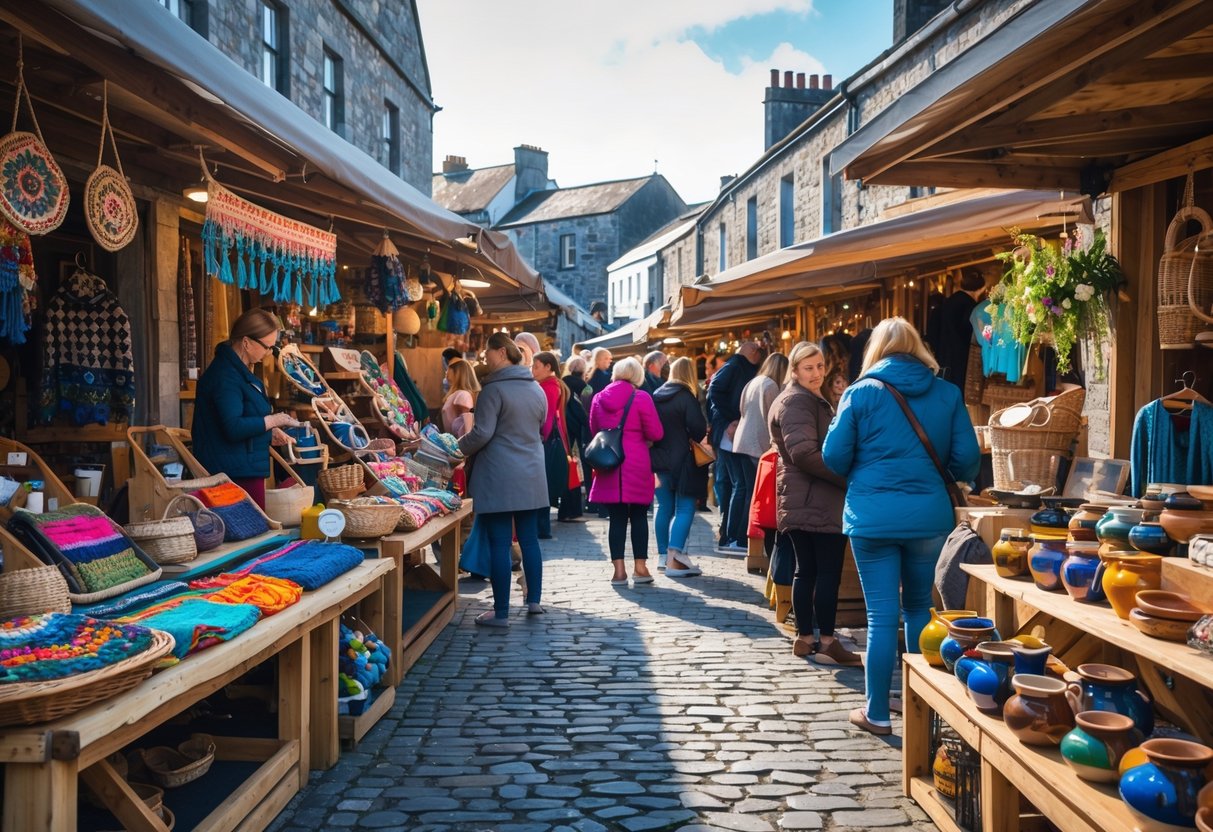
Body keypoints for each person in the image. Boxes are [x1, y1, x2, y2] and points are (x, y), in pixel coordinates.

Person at [823, 317, 981, 734]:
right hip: (928, 517)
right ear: (918, 347)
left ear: (876, 349)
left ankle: (876, 711)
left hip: (871, 517)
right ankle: (920, 706)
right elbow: (967, 459)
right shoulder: (947, 393)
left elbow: (835, 457)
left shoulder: (859, 393)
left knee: (880, 616)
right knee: (918, 609)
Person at [769, 342, 858, 667]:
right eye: (809, 368)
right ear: (794, 370)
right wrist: (846, 479)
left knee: (807, 571)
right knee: (824, 573)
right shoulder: (797, 401)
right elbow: (804, 453)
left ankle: (806, 638)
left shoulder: (804, 398)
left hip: (803, 498)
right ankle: (826, 642)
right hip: (814, 497)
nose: (817, 373)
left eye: (820, 366)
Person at [458, 332, 549, 626]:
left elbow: (482, 433)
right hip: (532, 473)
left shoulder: (493, 391)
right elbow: (542, 428)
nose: (485, 357)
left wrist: (456, 449)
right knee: (529, 539)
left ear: (500, 353)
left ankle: (500, 612)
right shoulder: (536, 389)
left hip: (499, 474)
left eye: (487, 352)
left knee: (499, 543)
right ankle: (534, 600)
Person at [192, 308, 300, 509]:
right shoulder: (225, 376)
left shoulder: (239, 372)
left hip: (243, 466)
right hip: (231, 474)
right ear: (246, 342)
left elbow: (247, 418)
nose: (269, 353)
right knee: (249, 530)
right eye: (267, 347)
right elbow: (233, 427)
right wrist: (273, 421)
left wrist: (270, 432)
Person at [588, 357, 663, 584]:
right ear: (637, 375)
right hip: (636, 462)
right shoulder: (641, 398)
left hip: (610, 463)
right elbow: (656, 433)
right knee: (639, 515)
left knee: (616, 518)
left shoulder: (599, 397)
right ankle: (640, 568)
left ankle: (618, 572)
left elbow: (595, 429)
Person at [650, 357, 708, 577]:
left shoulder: (655, 395)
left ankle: (663, 556)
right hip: (683, 460)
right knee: (685, 508)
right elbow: (698, 430)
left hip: (657, 459)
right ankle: (676, 557)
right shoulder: (687, 397)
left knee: (662, 507)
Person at [706, 341, 761, 554]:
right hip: (729, 434)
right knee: (739, 485)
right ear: (752, 352)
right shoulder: (735, 366)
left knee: (737, 485)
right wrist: (730, 419)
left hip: (733, 433)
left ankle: (730, 535)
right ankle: (732, 537)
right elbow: (715, 390)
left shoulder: (739, 366)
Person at [733, 352, 790, 544]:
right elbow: (772, 417)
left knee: (741, 490)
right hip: (757, 444)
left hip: (741, 441)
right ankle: (744, 539)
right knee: (752, 492)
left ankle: (732, 535)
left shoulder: (754, 382)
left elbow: (741, 409)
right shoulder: (771, 386)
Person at [532, 351, 569, 540]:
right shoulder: (550, 384)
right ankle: (542, 527)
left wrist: (541, 438)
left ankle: (542, 527)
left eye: (536, 366)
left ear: (548, 367)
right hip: (551, 441)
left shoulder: (549, 386)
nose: (532, 370)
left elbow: (546, 418)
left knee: (541, 484)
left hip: (546, 442)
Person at [932, 269, 988, 390]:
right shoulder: (969, 305)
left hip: (944, 354)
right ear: (980, 288)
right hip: (961, 355)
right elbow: (968, 331)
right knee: (959, 389)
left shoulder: (950, 300)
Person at [559, 356, 590, 522]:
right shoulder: (586, 387)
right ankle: (576, 509)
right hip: (579, 433)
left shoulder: (561, 383)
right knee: (579, 470)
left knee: (568, 470)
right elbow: (587, 408)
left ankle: (566, 509)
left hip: (564, 431)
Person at [441, 358, 480, 438]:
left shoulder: (463, 395)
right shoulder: (460, 394)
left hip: (458, 444)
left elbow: (467, 427)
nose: (446, 373)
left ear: (458, 373)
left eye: (449, 370)